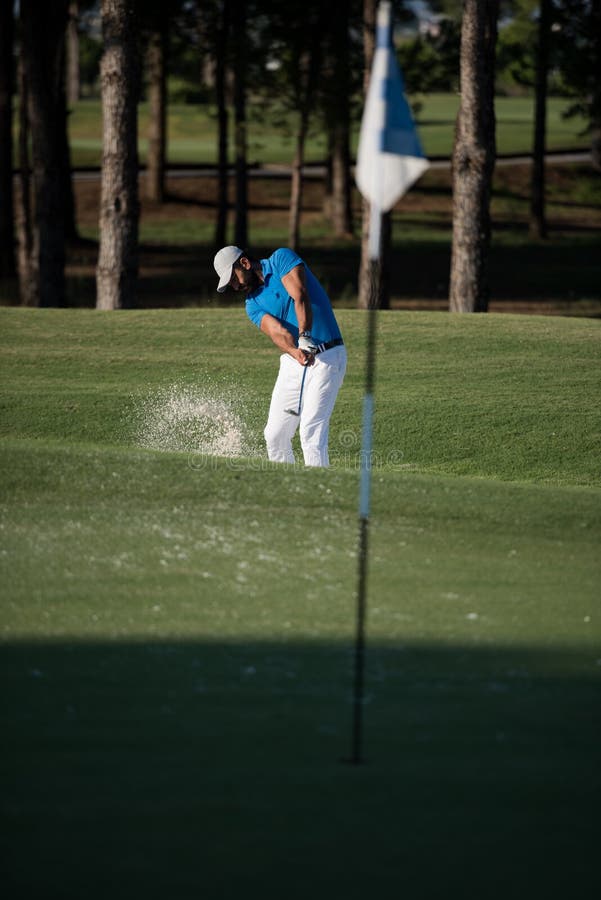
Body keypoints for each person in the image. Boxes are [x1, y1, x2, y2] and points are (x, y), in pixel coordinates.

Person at [213, 246, 346, 467]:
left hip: (327, 356)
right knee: (275, 435)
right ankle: (287, 490)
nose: (234, 287)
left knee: (310, 432)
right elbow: (277, 332)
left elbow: (300, 294)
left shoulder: (280, 259)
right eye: (229, 285)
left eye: (233, 279)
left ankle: (319, 493)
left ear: (244, 263)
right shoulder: (252, 305)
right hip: (294, 363)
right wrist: (295, 351)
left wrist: (305, 336)